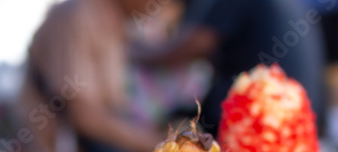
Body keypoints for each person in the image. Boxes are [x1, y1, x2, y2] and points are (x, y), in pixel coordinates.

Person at [132, 0, 326, 134]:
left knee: (175, 123)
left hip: (259, 121)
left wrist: (133, 52)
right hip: (299, 119)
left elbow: (191, 46)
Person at [21, 0, 165, 152]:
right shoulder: (78, 15)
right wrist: (162, 145)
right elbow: (86, 118)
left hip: (94, 150)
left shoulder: (116, 23)